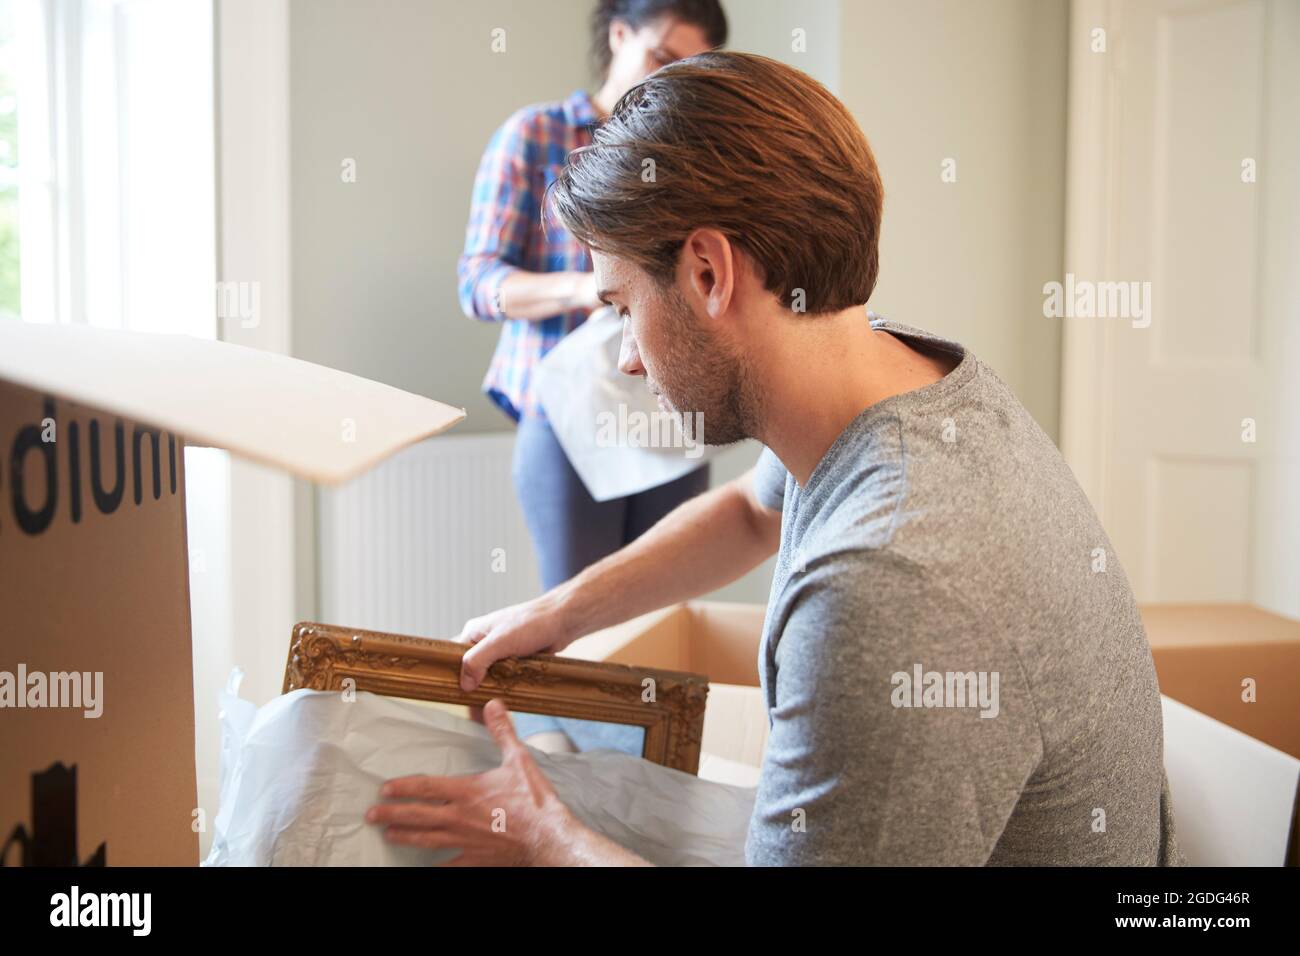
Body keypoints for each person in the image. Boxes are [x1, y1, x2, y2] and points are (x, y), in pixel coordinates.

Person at [374, 52, 1182, 866]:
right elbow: (753, 511)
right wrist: (561, 612)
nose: (624, 358)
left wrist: (547, 838)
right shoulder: (887, 370)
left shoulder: (888, 583)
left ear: (708, 273)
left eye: (622, 308)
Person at [456, 0, 727, 756]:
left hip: (671, 417)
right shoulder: (535, 136)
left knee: (661, 623)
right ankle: (566, 793)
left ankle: (644, 801)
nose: (670, 79)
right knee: (575, 629)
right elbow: (477, 282)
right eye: (660, 56)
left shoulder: (693, 159)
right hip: (566, 420)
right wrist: (597, 289)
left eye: (688, 68)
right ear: (617, 35)